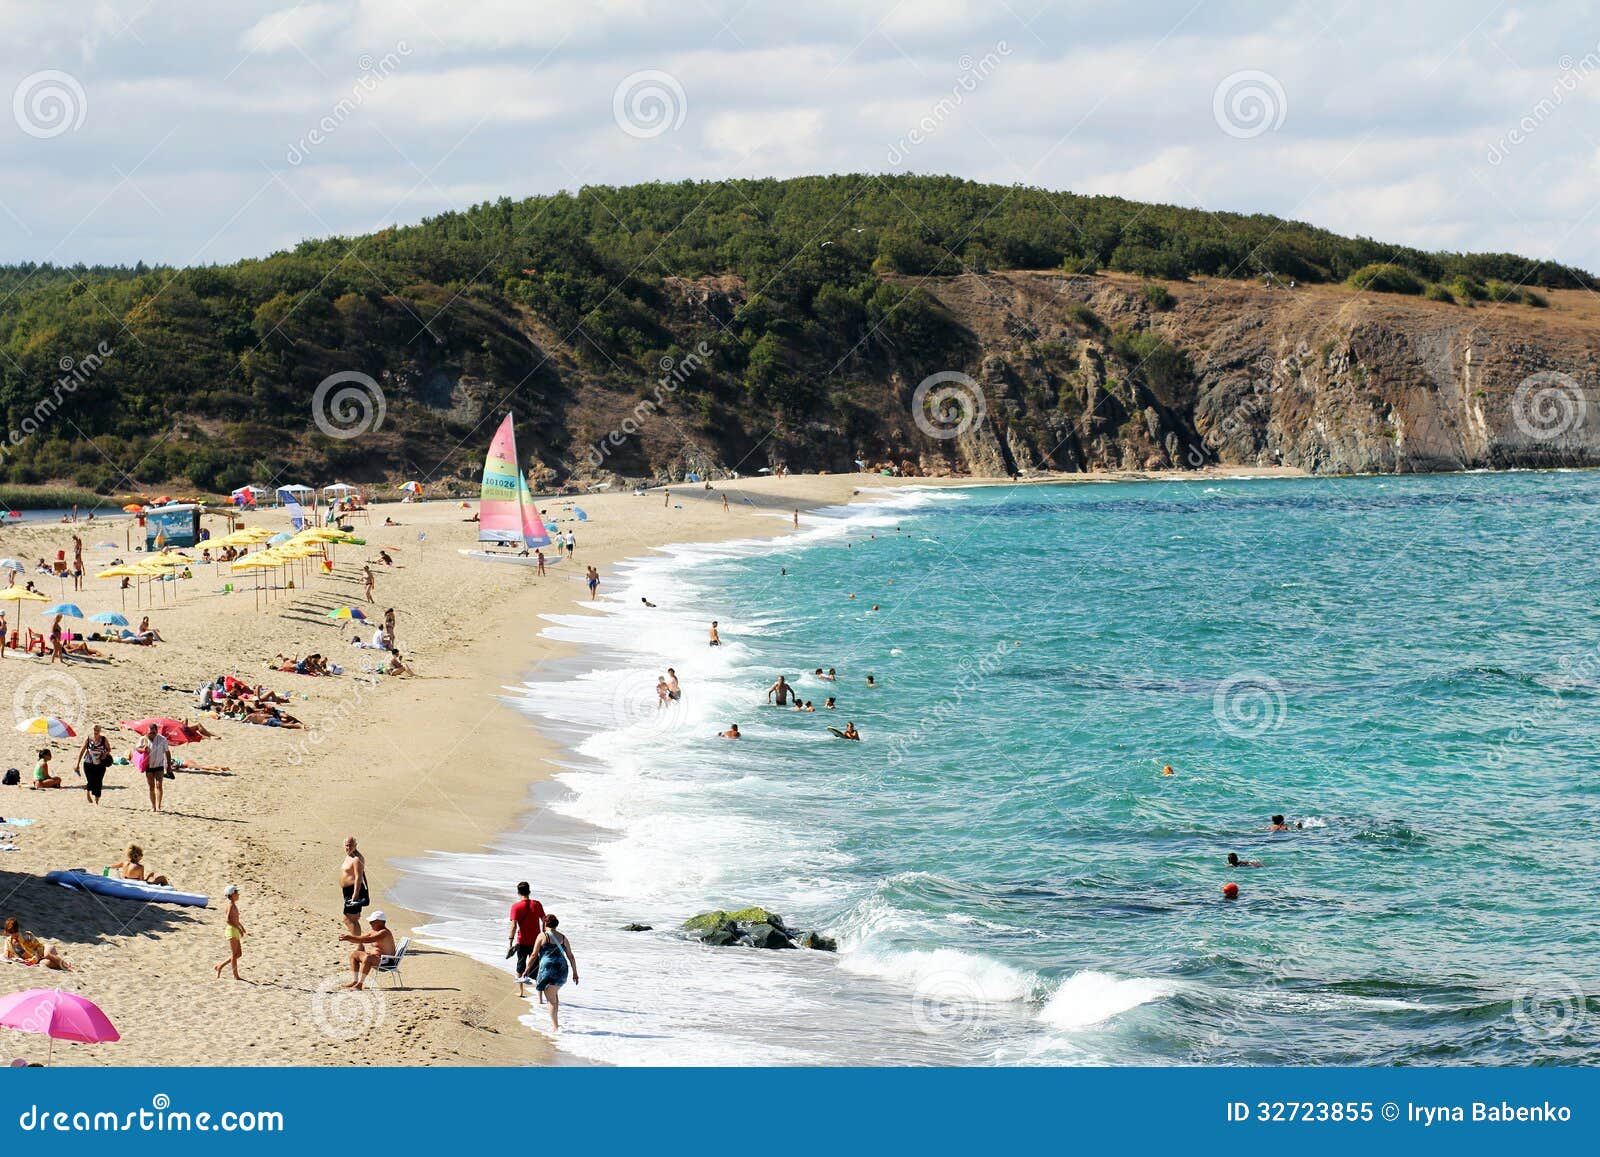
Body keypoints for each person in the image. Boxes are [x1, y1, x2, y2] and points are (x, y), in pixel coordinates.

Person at [523, 914, 579, 1030]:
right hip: (562, 968)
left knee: (551, 999)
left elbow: (533, 955)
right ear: (556, 924)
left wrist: (527, 969)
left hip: (547, 968)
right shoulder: (563, 937)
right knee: (553, 994)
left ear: (545, 923)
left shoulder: (542, 936)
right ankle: (555, 1023)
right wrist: (575, 973)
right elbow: (571, 956)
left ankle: (555, 1027)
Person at [340, 911, 397, 990]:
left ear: (379, 922)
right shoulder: (373, 931)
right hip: (377, 958)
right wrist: (348, 938)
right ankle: (355, 981)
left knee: (368, 958)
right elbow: (361, 939)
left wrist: (350, 937)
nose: (370, 923)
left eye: (372, 921)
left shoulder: (384, 932)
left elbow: (368, 940)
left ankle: (359, 984)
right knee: (354, 954)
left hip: (387, 961)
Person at [508, 882, 547, 994]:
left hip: (522, 941)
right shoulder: (537, 904)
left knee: (520, 965)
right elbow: (544, 920)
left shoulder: (516, 907)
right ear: (529, 891)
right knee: (537, 967)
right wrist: (543, 934)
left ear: (518, 892)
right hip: (536, 941)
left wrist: (510, 942)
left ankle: (521, 992)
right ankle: (540, 995)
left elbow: (514, 926)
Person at [3, 918, 71, 970]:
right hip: (39, 960)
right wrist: (11, 958)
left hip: (45, 949)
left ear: (18, 929)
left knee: (46, 955)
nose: (14, 934)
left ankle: (69, 967)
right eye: (11, 932)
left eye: (15, 931)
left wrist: (35, 958)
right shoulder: (8, 941)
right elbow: (6, 955)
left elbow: (39, 947)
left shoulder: (26, 935)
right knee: (43, 964)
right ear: (7, 932)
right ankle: (64, 964)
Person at [214, 884, 245, 980]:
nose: (238, 894)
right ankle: (236, 976)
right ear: (232, 894)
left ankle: (220, 966)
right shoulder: (231, 906)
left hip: (235, 929)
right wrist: (238, 928)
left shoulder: (233, 905)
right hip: (231, 930)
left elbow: (235, 919)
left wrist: (241, 926)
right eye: (237, 893)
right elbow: (228, 920)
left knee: (238, 954)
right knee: (234, 954)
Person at [340, 837, 369, 936]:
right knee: (350, 918)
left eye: (350, 845)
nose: (348, 847)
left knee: (350, 919)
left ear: (356, 845)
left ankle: (359, 944)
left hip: (354, 891)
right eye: (347, 845)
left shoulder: (357, 859)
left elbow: (358, 877)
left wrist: (355, 894)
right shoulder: (349, 856)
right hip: (347, 891)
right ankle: (358, 942)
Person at [77, 724, 111, 805]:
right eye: (94, 730)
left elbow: (109, 749)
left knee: (99, 781)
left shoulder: (103, 739)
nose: (95, 732)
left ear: (100, 731)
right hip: (88, 762)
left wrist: (105, 754)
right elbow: (82, 750)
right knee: (91, 780)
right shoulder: (88, 739)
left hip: (100, 763)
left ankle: (97, 799)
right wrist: (77, 763)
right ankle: (88, 792)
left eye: (97, 730)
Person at [145, 726, 170, 812]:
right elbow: (137, 749)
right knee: (151, 786)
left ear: (157, 731)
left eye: (154, 732)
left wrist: (169, 766)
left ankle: (158, 806)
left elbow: (167, 752)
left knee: (159, 785)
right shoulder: (144, 739)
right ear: (148, 731)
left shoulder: (162, 739)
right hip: (148, 766)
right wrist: (143, 749)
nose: (152, 733)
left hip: (159, 765)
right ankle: (153, 806)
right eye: (150, 732)